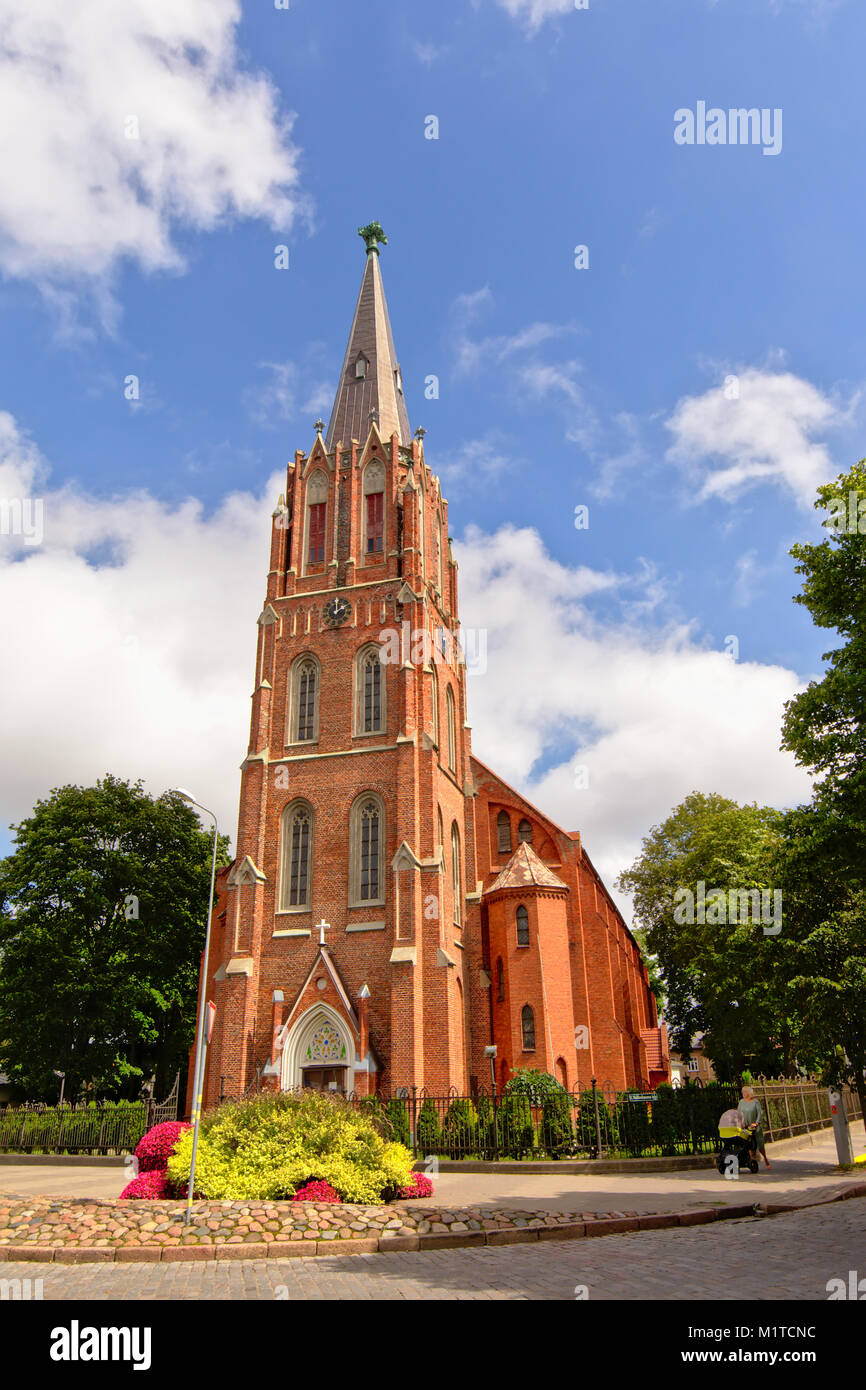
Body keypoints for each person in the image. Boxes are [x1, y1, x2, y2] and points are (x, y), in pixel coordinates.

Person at [739, 1085, 770, 1169]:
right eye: (742, 1092)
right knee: (748, 1143)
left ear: (749, 1093)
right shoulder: (741, 1102)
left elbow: (759, 1113)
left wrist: (756, 1122)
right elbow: (739, 1114)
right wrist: (741, 1123)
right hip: (746, 1126)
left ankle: (766, 1159)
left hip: (755, 1127)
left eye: (744, 1092)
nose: (743, 1093)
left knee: (759, 1144)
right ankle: (752, 1160)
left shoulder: (755, 1102)